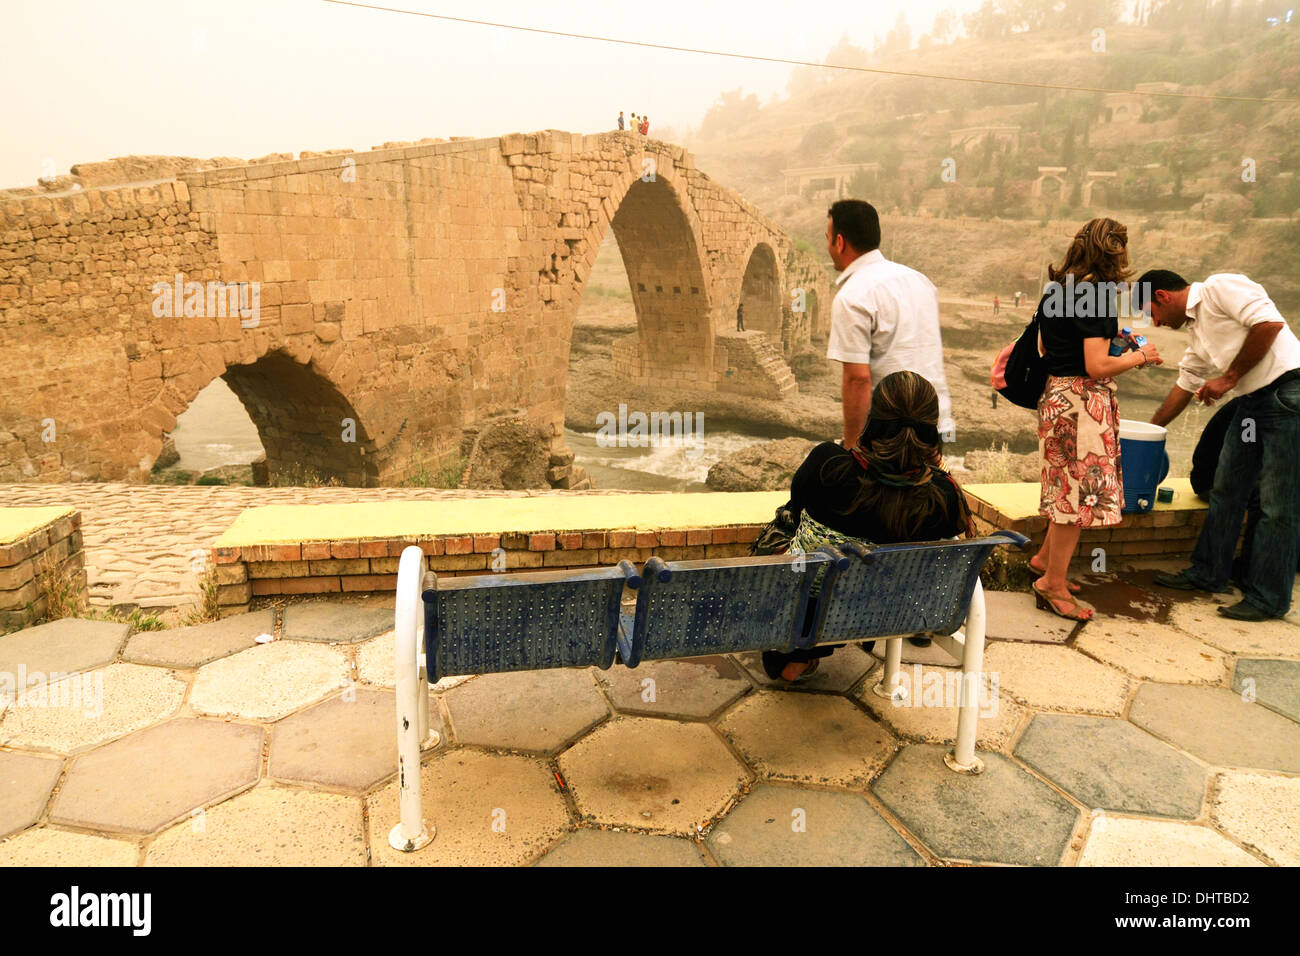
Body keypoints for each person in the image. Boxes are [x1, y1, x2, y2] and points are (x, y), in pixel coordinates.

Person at [761, 371, 974, 682]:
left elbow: (795, 512)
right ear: (932, 430)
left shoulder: (828, 465)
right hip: (890, 611)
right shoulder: (942, 497)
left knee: (789, 528)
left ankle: (795, 656)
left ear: (874, 420)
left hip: (813, 607)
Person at [1138, 269, 1300, 621]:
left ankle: (1268, 598)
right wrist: (1146, 433)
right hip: (1251, 404)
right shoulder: (1197, 333)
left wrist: (1228, 378)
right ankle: (1209, 572)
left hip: (1287, 396)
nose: (1157, 323)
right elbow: (1184, 385)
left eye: (1153, 312)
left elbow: (1268, 325)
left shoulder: (1220, 287)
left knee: (1277, 503)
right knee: (1226, 489)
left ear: (1163, 296)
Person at [1031, 218, 1161, 621]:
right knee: (1077, 496)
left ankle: (1043, 562)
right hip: (1083, 406)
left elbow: (1045, 344)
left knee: (1063, 486)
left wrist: (1112, 334)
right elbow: (1096, 364)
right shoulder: (1099, 295)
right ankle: (1052, 584)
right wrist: (1141, 355)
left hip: (1057, 396)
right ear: (1115, 253)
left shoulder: (1060, 289)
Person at [825, 199, 957, 453]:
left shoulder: (852, 295)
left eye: (828, 238)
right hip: (935, 423)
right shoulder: (920, 281)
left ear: (839, 242)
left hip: (888, 435)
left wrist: (853, 446)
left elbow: (857, 379)